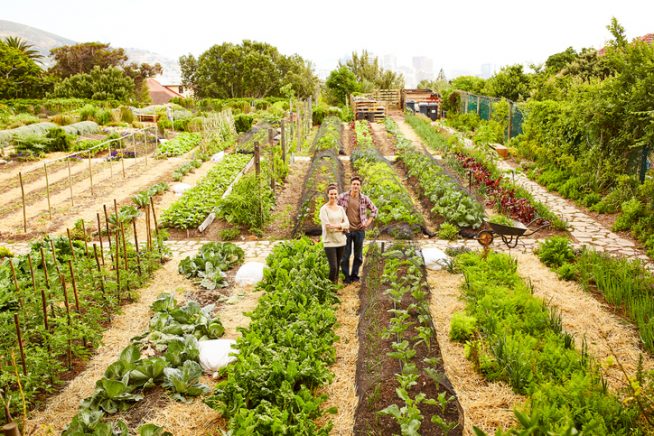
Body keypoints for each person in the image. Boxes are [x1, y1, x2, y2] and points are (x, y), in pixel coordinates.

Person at [338, 176, 378, 284]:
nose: (355, 186)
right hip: (346, 231)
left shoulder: (364, 198)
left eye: (357, 184)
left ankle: (355, 276)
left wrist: (367, 222)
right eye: (354, 184)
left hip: (359, 231)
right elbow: (334, 208)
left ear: (360, 186)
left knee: (358, 255)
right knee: (345, 255)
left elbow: (374, 210)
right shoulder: (342, 197)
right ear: (350, 185)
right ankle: (346, 277)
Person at [319, 184, 350, 284]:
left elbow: (347, 224)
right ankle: (329, 287)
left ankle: (334, 287)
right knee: (333, 267)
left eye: (335, 194)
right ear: (328, 194)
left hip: (341, 241)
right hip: (329, 242)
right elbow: (328, 227)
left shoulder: (341, 209)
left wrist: (337, 227)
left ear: (337, 195)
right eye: (331, 194)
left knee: (337, 266)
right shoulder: (324, 209)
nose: (333, 196)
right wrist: (341, 227)